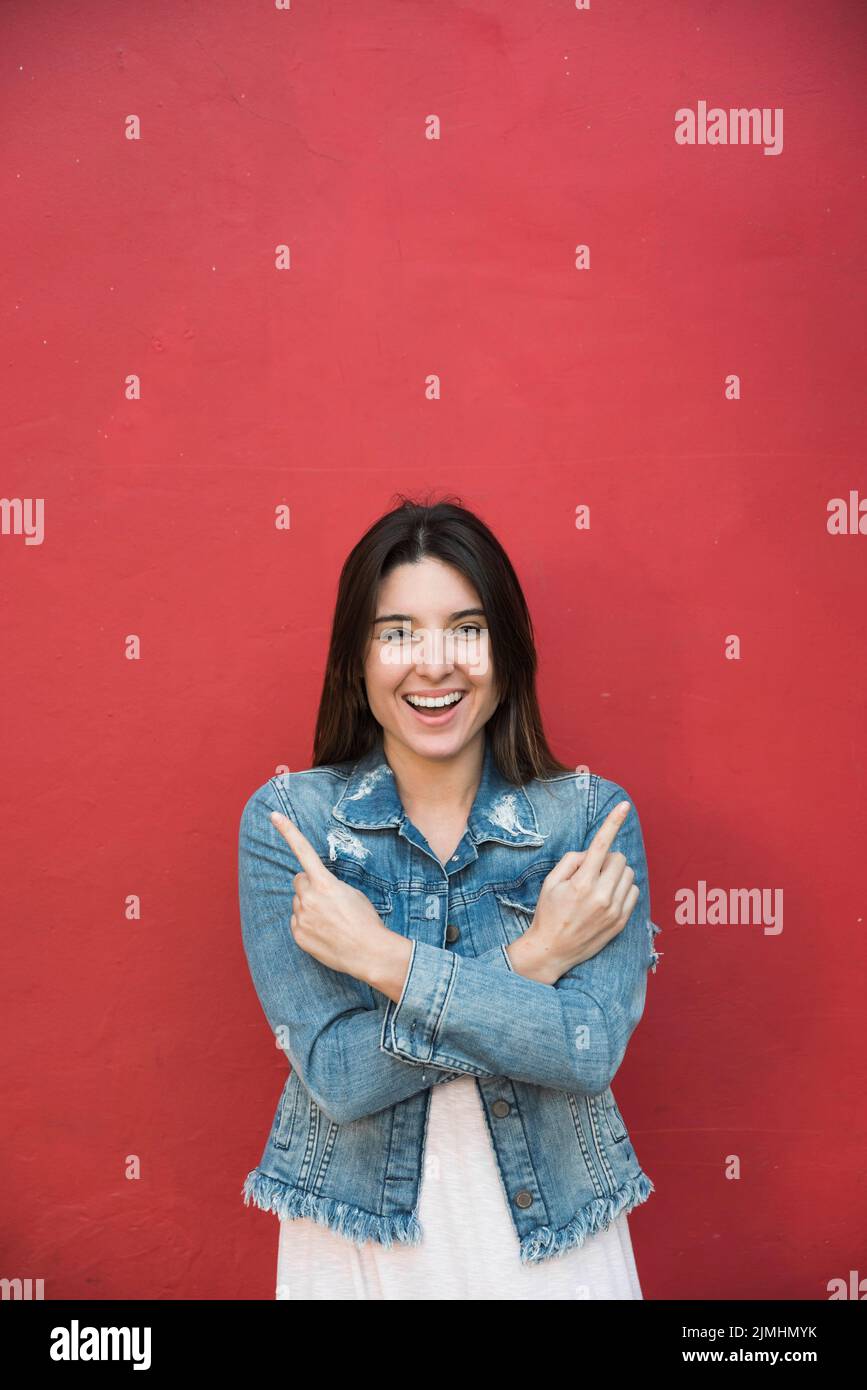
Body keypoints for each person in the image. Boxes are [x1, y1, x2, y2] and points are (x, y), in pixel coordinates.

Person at [238, 495, 661, 1300]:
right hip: (357, 1240)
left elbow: (586, 1050)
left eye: (466, 628)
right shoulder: (293, 823)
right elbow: (340, 1078)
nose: (435, 663)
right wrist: (535, 959)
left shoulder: (589, 820)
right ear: (354, 661)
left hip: (556, 1240)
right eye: (396, 632)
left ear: (506, 652)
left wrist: (386, 960)